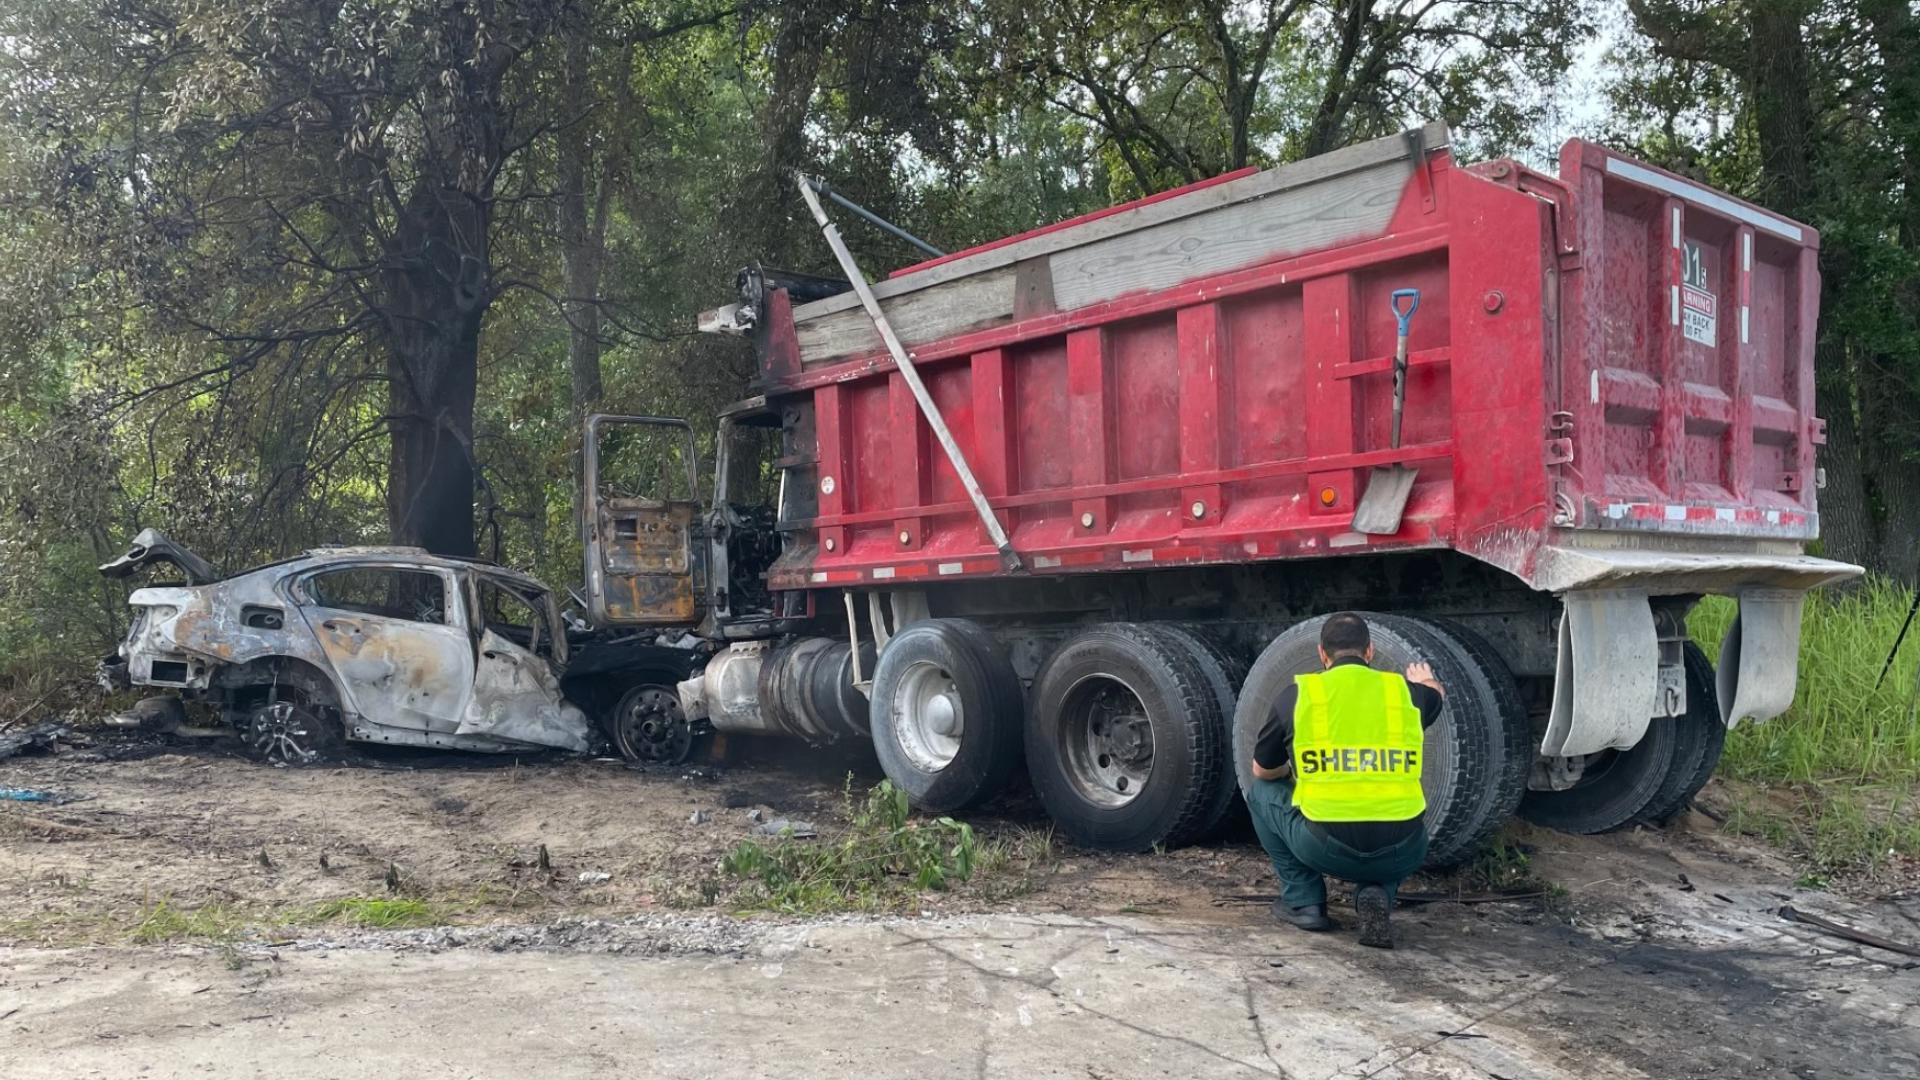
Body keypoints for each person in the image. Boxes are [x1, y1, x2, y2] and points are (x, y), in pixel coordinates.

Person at [1247, 612, 1444, 948]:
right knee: (1394, 825)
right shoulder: (1405, 695)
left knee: (1261, 793)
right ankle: (1377, 890)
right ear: (1369, 652)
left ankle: (1304, 901)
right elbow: (1437, 695)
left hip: (1324, 848)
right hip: (1404, 849)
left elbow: (1262, 772)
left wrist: (1297, 775)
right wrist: (1427, 680)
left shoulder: (1298, 695)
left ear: (1322, 654)